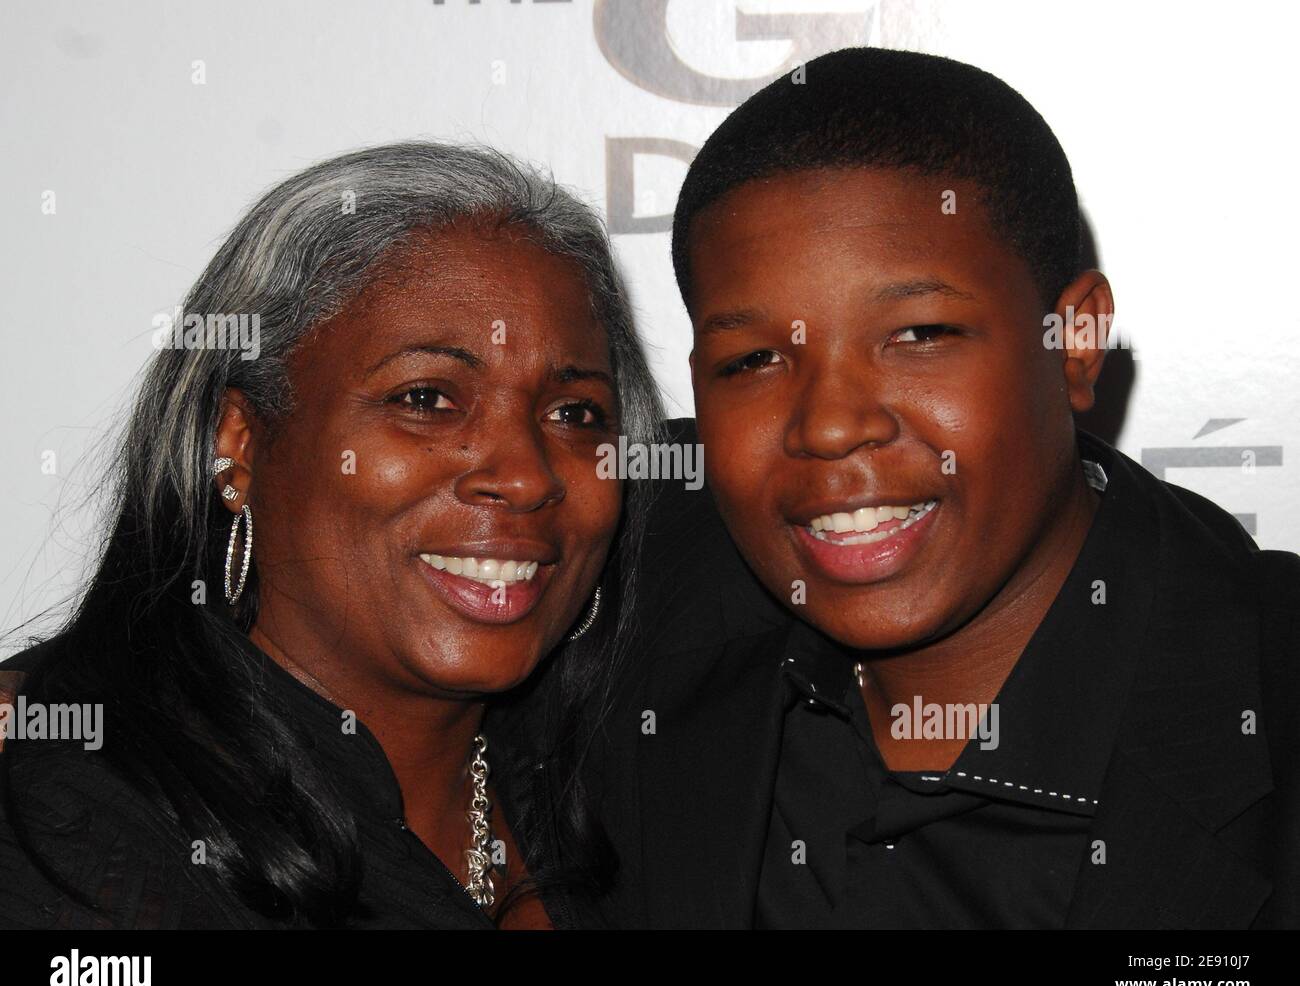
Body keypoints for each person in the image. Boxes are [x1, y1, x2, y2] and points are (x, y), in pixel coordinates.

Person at [592, 47, 1300, 929]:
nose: (828, 424)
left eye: (920, 333)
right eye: (754, 359)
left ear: (1074, 339)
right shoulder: (626, 574)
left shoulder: (1264, 696)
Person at [0, 141, 663, 930]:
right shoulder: (77, 840)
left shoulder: (638, 770)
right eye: (426, 398)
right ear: (239, 441)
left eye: (575, 414)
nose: (525, 475)